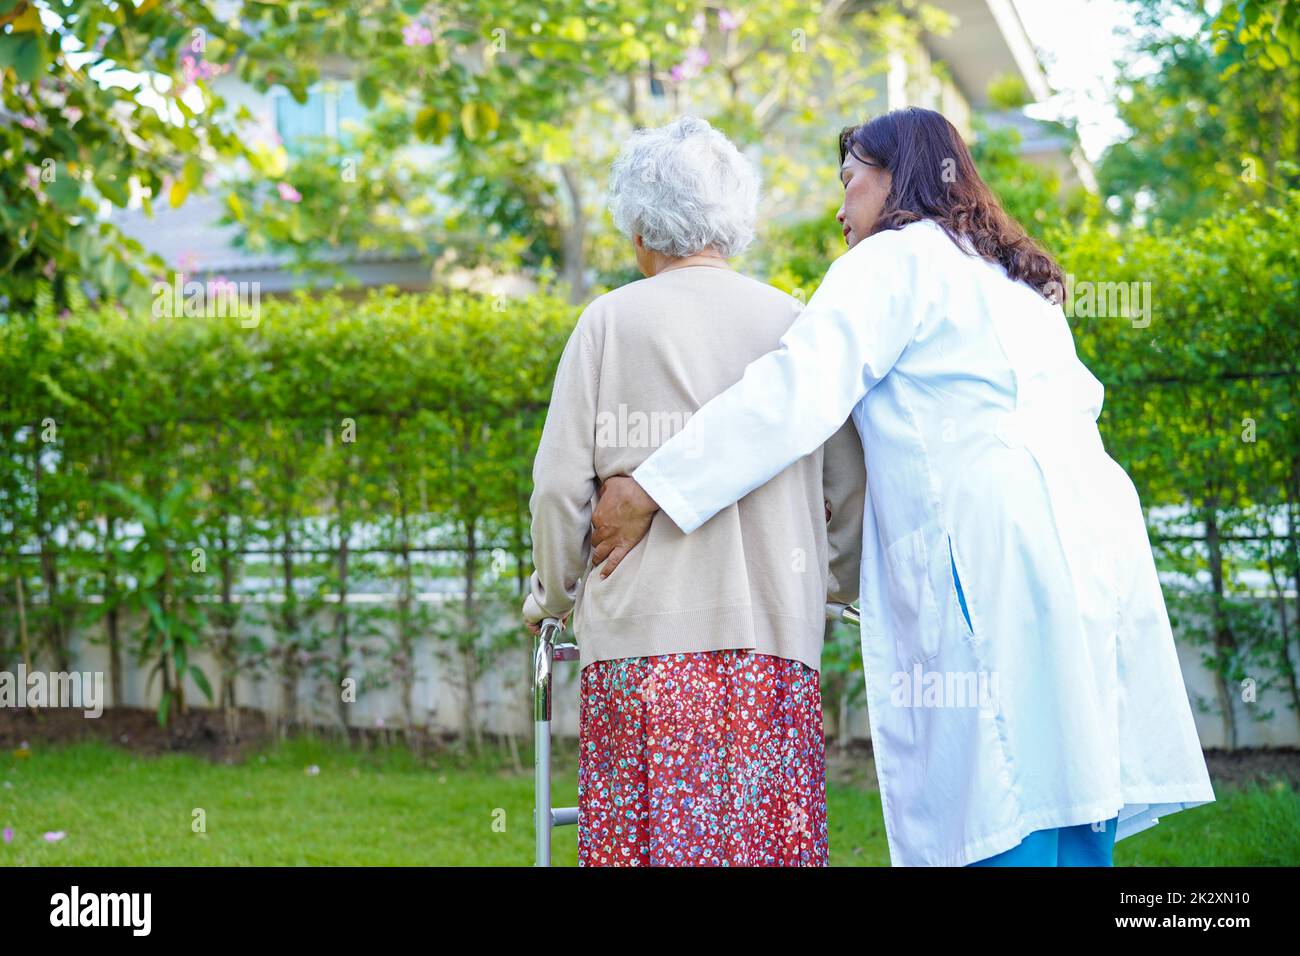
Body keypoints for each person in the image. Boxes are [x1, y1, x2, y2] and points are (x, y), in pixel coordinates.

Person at [589, 107, 1216, 867]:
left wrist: (651, 487)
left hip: (990, 538)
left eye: (849, 181)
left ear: (894, 178)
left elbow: (794, 393)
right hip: (1092, 534)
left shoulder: (893, 260)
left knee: (997, 782)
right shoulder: (1014, 276)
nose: (840, 207)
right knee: (1072, 764)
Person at [522, 115, 866, 866]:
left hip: (642, 647)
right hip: (771, 643)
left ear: (642, 223)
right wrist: (833, 584)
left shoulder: (608, 322)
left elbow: (557, 490)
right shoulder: (794, 322)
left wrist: (550, 594)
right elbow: (848, 485)